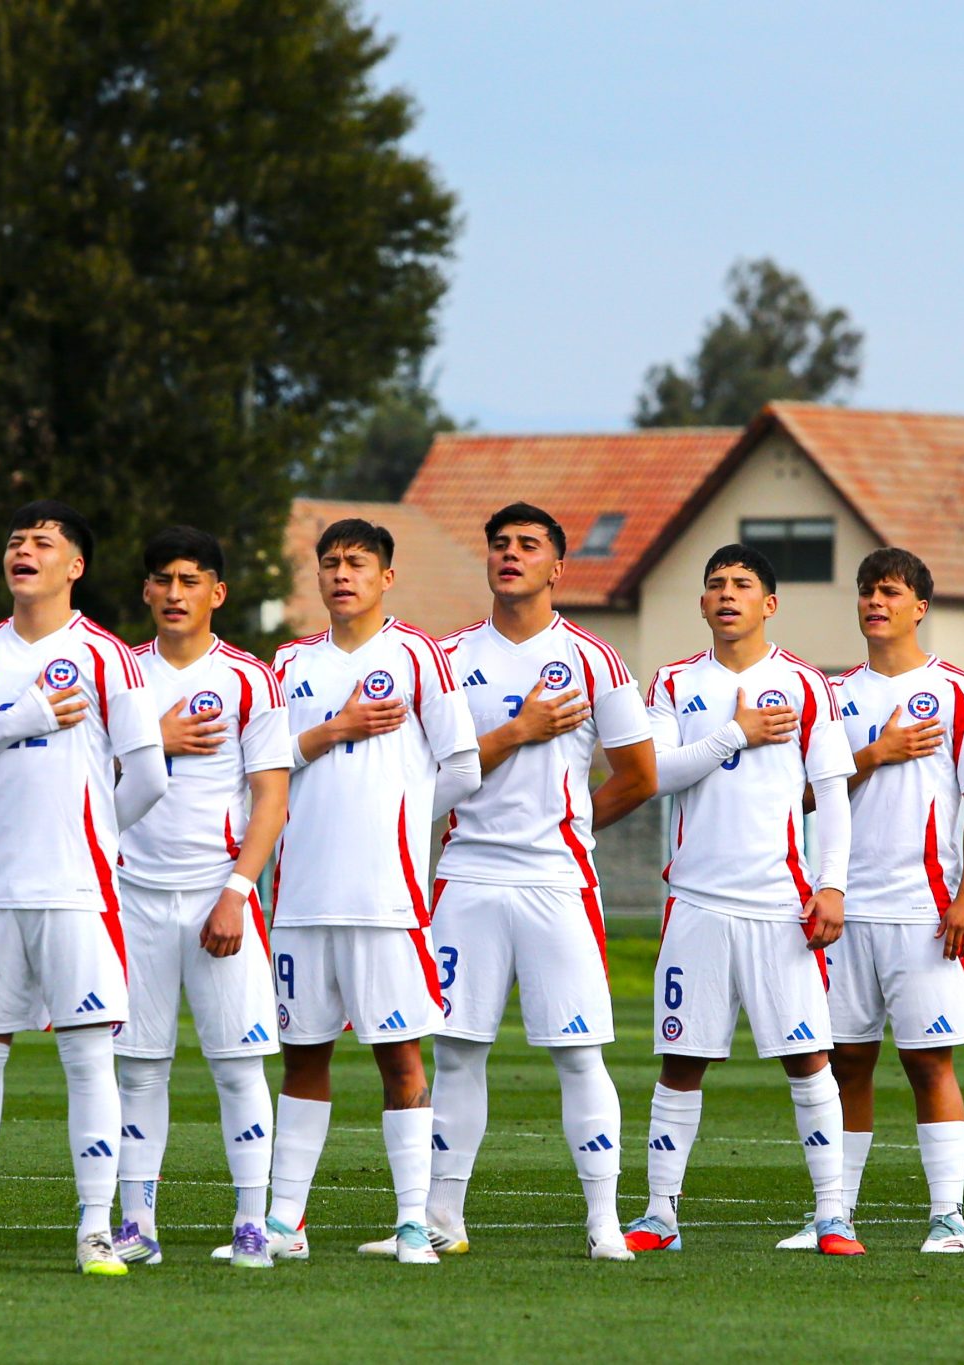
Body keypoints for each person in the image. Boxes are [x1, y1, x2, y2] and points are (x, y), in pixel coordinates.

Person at [0, 500, 168, 1276]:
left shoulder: (111, 656)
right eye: (15, 541)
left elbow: (147, 775)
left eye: (44, 543)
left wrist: (99, 840)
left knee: (89, 1060)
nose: (25, 551)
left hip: (79, 892)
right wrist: (19, 719)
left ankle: (95, 1228)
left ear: (74, 565)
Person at [372, 502, 655, 1262]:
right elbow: (425, 778)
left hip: (557, 881)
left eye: (529, 545)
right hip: (465, 874)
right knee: (457, 1049)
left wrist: (573, 826)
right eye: (499, 544)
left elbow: (640, 775)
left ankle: (602, 1221)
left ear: (558, 566)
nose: (511, 554)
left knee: (579, 1050)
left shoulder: (597, 659)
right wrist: (514, 734)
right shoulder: (446, 658)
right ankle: (442, 1216)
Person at [627, 544, 861, 1257]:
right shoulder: (672, 681)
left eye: (743, 584)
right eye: (715, 584)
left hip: (779, 905)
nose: (727, 594)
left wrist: (833, 883)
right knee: (681, 1058)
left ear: (770, 603)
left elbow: (837, 794)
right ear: (701, 603)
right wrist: (736, 732)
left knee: (808, 1056)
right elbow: (658, 773)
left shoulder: (806, 684)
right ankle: (660, 1213)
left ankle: (833, 1214)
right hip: (696, 901)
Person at [263, 518, 481, 1266]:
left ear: (387, 577)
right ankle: (285, 1221)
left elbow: (462, 767)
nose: (341, 574)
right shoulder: (289, 661)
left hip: (386, 899)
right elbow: (265, 766)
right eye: (330, 563)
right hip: (298, 899)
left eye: (357, 562)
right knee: (302, 1057)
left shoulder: (419, 655)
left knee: (400, 1058)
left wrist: (397, 810)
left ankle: (415, 1222)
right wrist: (332, 731)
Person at [785, 547, 964, 1255]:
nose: (875, 602)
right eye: (866, 591)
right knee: (844, 1059)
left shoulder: (961, 691)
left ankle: (949, 1216)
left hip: (924, 908)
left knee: (928, 1060)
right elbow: (803, 797)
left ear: (920, 606)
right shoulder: (829, 694)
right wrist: (873, 753)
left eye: (890, 591)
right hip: (844, 908)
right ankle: (834, 1214)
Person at [104, 526, 288, 1270]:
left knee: (238, 1064)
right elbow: (91, 776)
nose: (174, 594)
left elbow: (271, 798)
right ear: (146, 589)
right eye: (162, 579)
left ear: (217, 592)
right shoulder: (117, 675)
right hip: (131, 896)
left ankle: (251, 1222)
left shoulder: (251, 679)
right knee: (139, 1066)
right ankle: (137, 1225)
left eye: (190, 580)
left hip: (218, 896)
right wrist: (157, 736)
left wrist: (237, 891)